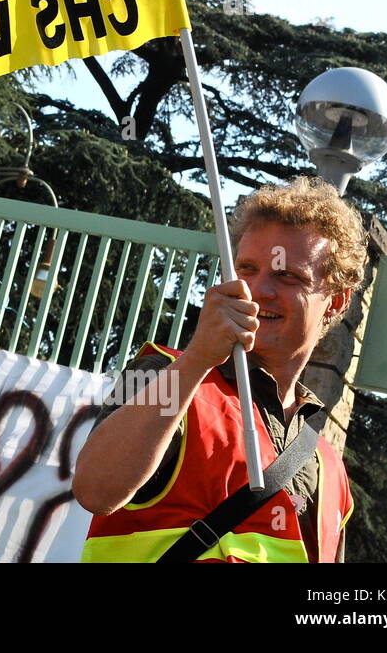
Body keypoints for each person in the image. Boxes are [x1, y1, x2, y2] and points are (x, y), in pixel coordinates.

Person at [74, 177, 363, 563]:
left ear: (336, 301)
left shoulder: (331, 470)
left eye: (286, 276)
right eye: (246, 268)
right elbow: (96, 490)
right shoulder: (166, 372)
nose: (258, 290)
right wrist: (197, 358)